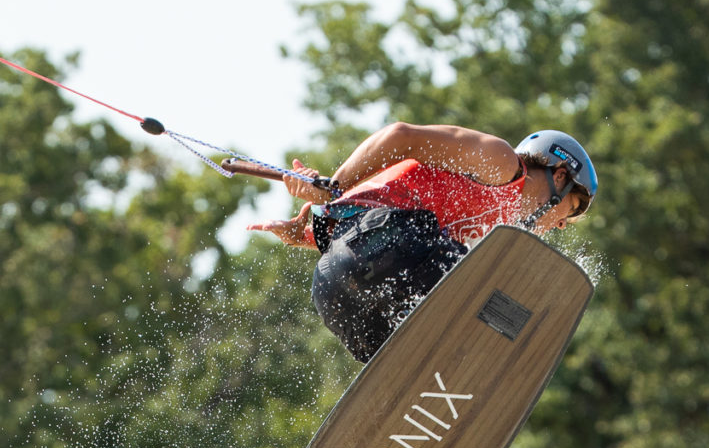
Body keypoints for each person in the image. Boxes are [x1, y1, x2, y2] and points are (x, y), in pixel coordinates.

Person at [249, 120, 599, 361]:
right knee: (500, 299)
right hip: (380, 246)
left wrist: (303, 236)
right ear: (559, 175)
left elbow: (358, 249)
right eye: (571, 210)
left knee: (407, 363)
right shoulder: (503, 165)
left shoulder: (487, 221)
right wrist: (335, 184)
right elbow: (400, 137)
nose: (563, 225)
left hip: (333, 285)